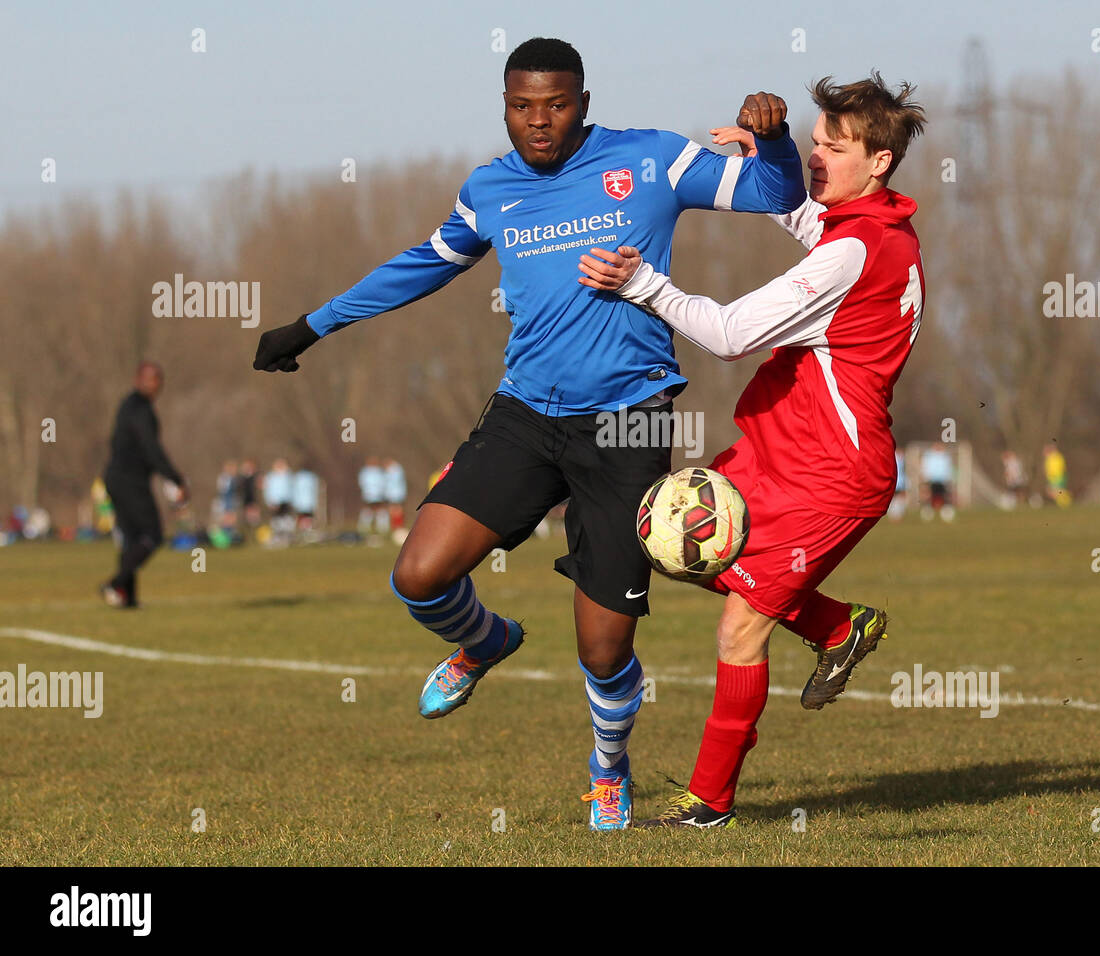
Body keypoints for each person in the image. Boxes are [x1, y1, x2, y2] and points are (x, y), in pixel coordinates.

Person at [252, 36, 805, 829]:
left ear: (583, 102)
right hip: (525, 415)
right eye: (522, 106)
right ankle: (484, 641)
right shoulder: (491, 189)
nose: (538, 121)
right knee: (418, 576)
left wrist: (778, 138)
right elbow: (425, 263)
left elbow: (770, 192)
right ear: (504, 107)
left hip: (626, 424)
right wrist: (312, 326)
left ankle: (608, 768)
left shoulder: (652, 161)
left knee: (604, 652)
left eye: (556, 105)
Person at [579, 72, 926, 826]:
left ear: (879, 164)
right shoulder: (876, 231)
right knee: (676, 545)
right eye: (814, 141)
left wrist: (647, 285)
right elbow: (812, 223)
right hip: (786, 453)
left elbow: (732, 336)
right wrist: (768, 153)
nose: (818, 155)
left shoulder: (853, 252)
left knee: (740, 624)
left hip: (833, 472)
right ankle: (838, 627)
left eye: (836, 147)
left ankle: (710, 803)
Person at [101, 361, 187, 608]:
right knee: (153, 535)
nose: (156, 384)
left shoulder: (129, 405)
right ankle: (116, 583)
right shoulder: (140, 410)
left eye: (159, 379)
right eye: (151, 379)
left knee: (131, 538)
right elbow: (151, 449)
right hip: (129, 480)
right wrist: (175, 478)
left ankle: (127, 597)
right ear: (138, 380)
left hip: (117, 477)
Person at [920, 442, 956, 521]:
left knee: (945, 497)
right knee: (928, 497)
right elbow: (924, 467)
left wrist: (949, 478)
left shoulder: (945, 456)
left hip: (943, 480)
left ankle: (947, 514)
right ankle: (927, 514)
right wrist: (925, 478)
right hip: (931, 479)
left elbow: (948, 468)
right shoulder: (928, 455)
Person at [359, 456, 387, 533]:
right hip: (371, 494)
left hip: (375, 495)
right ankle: (365, 527)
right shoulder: (366, 472)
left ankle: (381, 527)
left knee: (377, 510)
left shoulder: (375, 471)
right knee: (370, 510)